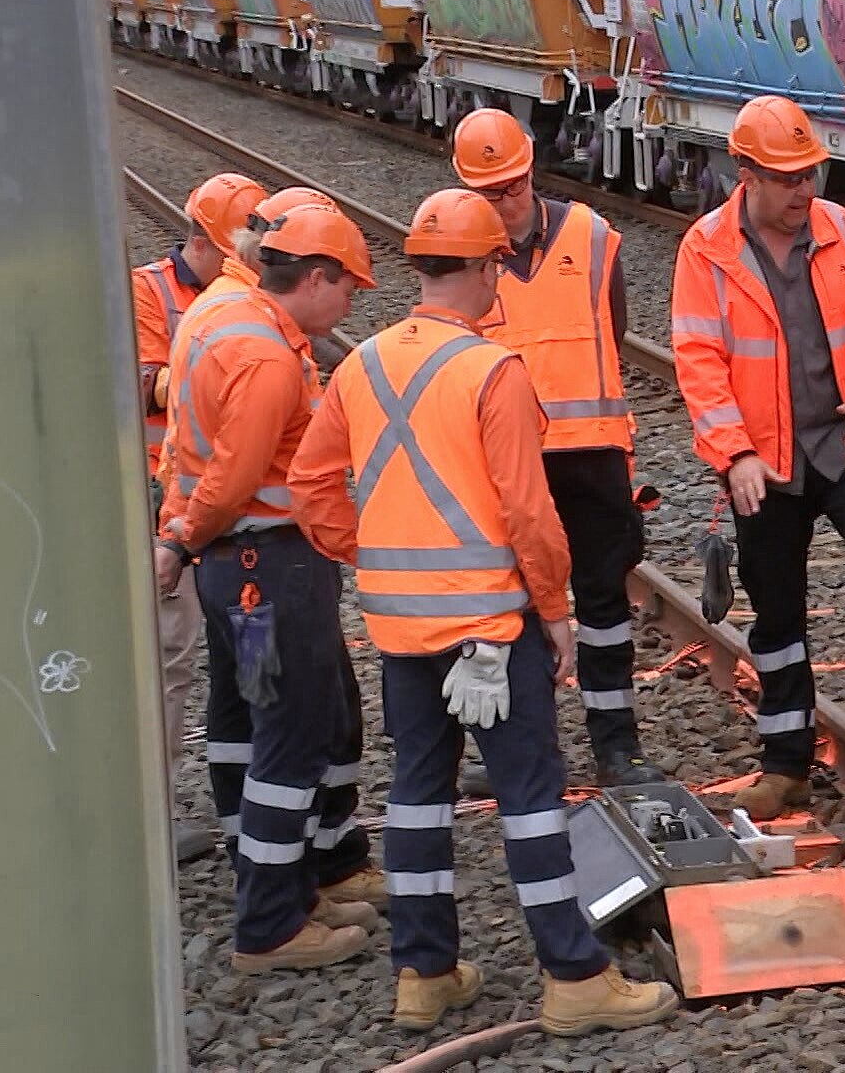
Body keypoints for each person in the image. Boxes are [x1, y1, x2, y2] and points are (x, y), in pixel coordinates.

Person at [289, 188, 679, 1034]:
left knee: (417, 795)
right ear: (483, 267)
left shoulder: (361, 364)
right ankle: (573, 977)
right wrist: (555, 609)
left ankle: (423, 973)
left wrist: (371, 552)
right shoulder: (492, 371)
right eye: (497, 265)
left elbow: (311, 486)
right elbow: (528, 513)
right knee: (530, 797)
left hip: (401, 629)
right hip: (491, 630)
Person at [670, 95, 845, 819]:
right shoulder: (707, 248)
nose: (804, 190)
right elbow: (698, 361)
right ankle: (785, 760)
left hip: (843, 441)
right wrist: (734, 454)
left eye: (810, 174)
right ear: (747, 175)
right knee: (776, 606)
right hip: (762, 461)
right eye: (788, 178)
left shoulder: (840, 229)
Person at [154, 203, 383, 973]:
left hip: (237, 568)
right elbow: (234, 476)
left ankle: (282, 886)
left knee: (244, 715)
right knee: (290, 730)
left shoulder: (223, 314)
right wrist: (182, 539)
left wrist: (183, 535)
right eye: (347, 288)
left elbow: (190, 455)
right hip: (268, 569)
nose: (349, 304)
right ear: (314, 278)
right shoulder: (268, 359)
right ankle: (270, 925)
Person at [448, 108, 658, 789]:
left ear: (531, 168)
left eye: (512, 186)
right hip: (506, 461)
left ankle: (616, 747)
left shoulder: (592, 238)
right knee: (508, 606)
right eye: (488, 192)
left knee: (602, 607)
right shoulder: (460, 257)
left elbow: (612, 334)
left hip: (592, 454)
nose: (504, 202)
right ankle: (519, 751)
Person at [131, 172, 262, 866]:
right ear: (209, 242)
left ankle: (246, 799)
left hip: (231, 505)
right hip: (167, 501)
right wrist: (220, 363)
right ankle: (150, 818)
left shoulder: (242, 297)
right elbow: (137, 382)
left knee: (240, 657)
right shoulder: (148, 292)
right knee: (172, 654)